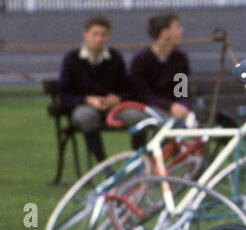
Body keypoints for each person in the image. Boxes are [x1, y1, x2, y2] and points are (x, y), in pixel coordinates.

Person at [56, 15, 128, 164]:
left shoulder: (116, 58)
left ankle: (142, 165)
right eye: (95, 34)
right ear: (85, 34)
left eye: (103, 34)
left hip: (116, 108)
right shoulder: (71, 59)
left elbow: (131, 89)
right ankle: (104, 166)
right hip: (85, 107)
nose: (99, 39)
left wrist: (118, 98)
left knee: (143, 118)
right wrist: (87, 100)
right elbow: (64, 95)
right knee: (86, 117)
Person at [129, 13, 195, 126]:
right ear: (165, 32)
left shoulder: (180, 58)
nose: (181, 31)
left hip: (176, 108)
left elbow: (182, 90)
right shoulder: (141, 59)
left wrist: (183, 105)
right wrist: (171, 106)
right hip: (150, 108)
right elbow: (144, 95)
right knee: (168, 123)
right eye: (177, 28)